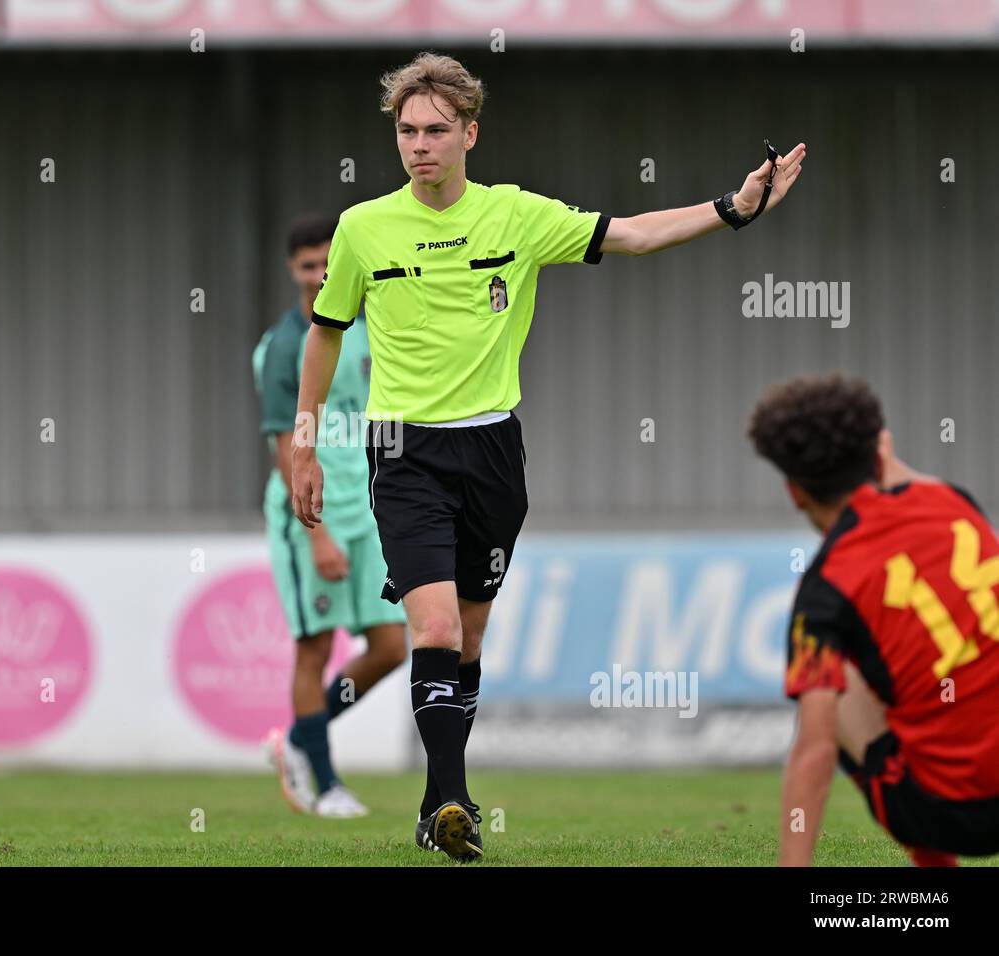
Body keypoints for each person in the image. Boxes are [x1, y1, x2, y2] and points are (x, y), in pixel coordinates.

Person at [289, 51, 806, 861]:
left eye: (434, 130)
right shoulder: (363, 229)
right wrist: (307, 442)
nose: (418, 144)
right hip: (401, 448)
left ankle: (435, 806)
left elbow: (630, 235)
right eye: (405, 131)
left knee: (466, 639)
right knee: (429, 623)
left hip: (493, 447)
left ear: (469, 134)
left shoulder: (516, 216)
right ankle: (457, 797)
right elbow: (326, 333)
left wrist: (733, 209)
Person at [749, 373, 999, 866]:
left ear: (795, 492)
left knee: (835, 682)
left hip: (950, 815)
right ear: (881, 453)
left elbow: (814, 751)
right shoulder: (954, 502)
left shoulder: (825, 591)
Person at [252, 214, 409, 818]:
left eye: (327, 264)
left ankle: (298, 737)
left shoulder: (369, 330)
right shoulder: (284, 346)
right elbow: (280, 449)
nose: (319, 276)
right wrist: (314, 535)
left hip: (371, 511)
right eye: (307, 266)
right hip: (311, 515)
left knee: (392, 646)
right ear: (292, 271)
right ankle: (324, 782)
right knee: (315, 648)